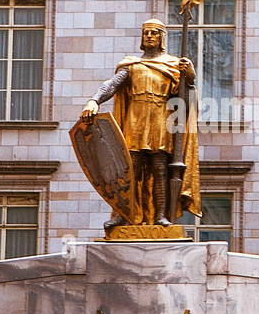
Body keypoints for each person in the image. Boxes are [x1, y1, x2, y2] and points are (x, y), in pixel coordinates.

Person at [81, 19, 201, 233]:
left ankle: (161, 216)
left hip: (160, 121)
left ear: (162, 38)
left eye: (154, 33)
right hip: (135, 122)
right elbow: (112, 85)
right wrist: (95, 100)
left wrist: (190, 78)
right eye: (146, 33)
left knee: (160, 170)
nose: (149, 36)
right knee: (130, 170)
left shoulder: (174, 65)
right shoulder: (132, 65)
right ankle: (123, 214)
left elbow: (184, 101)